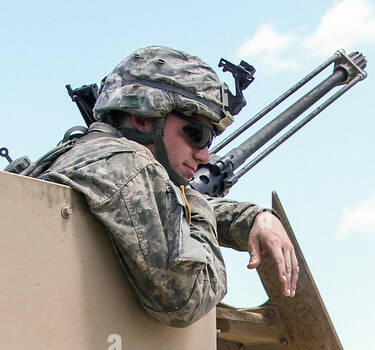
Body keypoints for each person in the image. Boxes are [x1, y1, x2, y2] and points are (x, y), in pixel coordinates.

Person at [38, 45, 298, 328]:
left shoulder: (91, 155)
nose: (204, 156)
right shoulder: (130, 164)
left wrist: (253, 217)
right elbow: (186, 300)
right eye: (197, 135)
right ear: (143, 118)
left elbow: (155, 203)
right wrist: (194, 202)